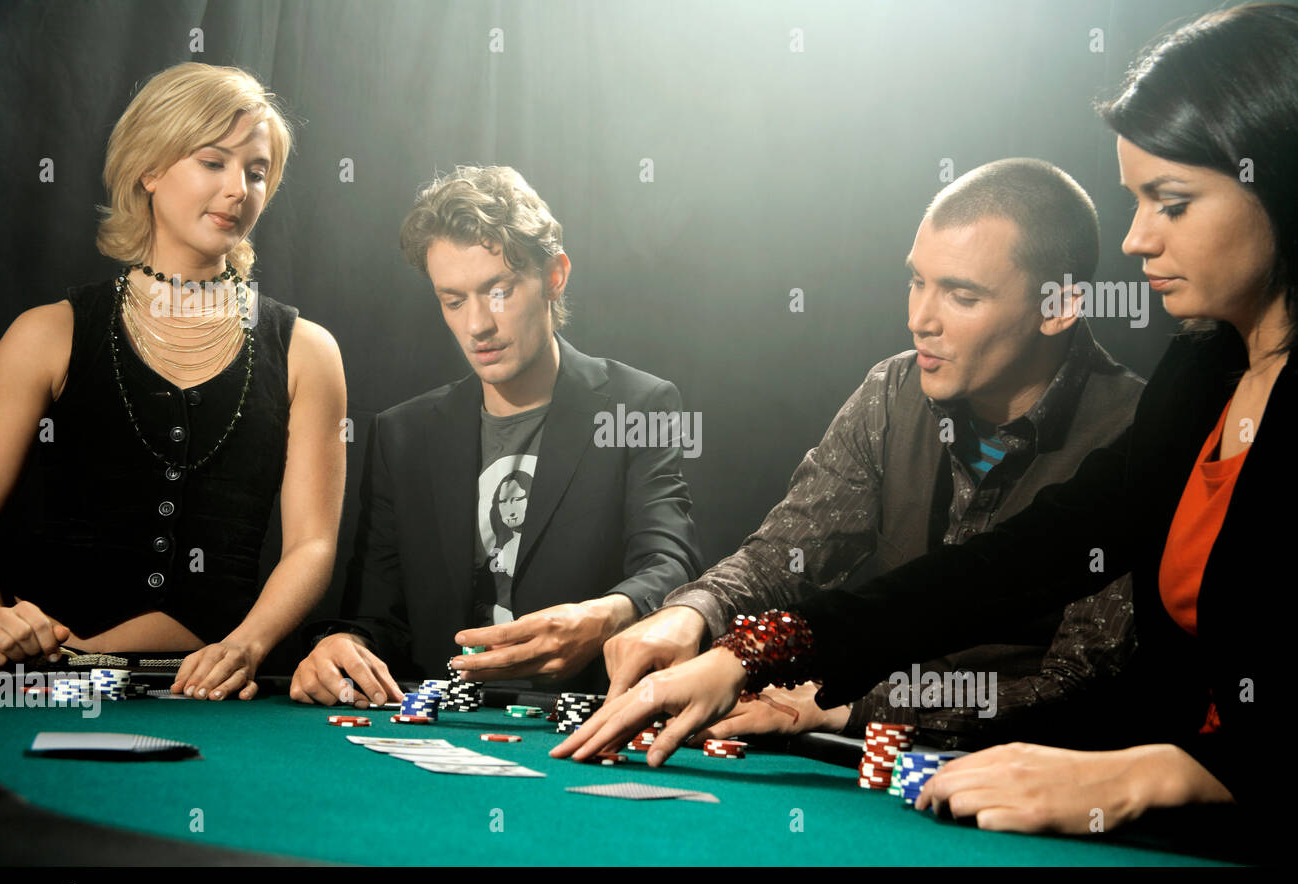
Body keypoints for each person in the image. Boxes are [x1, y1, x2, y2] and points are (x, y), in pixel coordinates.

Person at [554, 2, 1295, 835]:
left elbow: (1104, 683)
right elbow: (1018, 561)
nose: (1134, 240)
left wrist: (1151, 772)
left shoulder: (1135, 399)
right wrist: (746, 647)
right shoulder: (1201, 375)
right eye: (1135, 201)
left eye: (1172, 201)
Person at [600, 158, 1145, 752]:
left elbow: (1084, 686)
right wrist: (696, 613)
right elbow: (787, 556)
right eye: (917, 282)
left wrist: (852, 705)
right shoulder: (892, 391)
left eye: (962, 296)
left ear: (1058, 307)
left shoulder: (1138, 430)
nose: (919, 320)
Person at [290, 165, 703, 706]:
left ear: (555, 276)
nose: (477, 325)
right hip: (436, 727)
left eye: (499, 291)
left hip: (584, 726)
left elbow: (671, 565)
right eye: (453, 300)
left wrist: (605, 616)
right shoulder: (403, 435)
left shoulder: (639, 406)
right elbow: (376, 616)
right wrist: (340, 644)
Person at [0, 63, 347, 702]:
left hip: (221, 695)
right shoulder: (45, 334)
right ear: (150, 169)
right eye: (213, 162)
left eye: (257, 170)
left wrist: (249, 643)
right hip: (52, 685)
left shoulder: (307, 351)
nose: (239, 188)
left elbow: (313, 542)